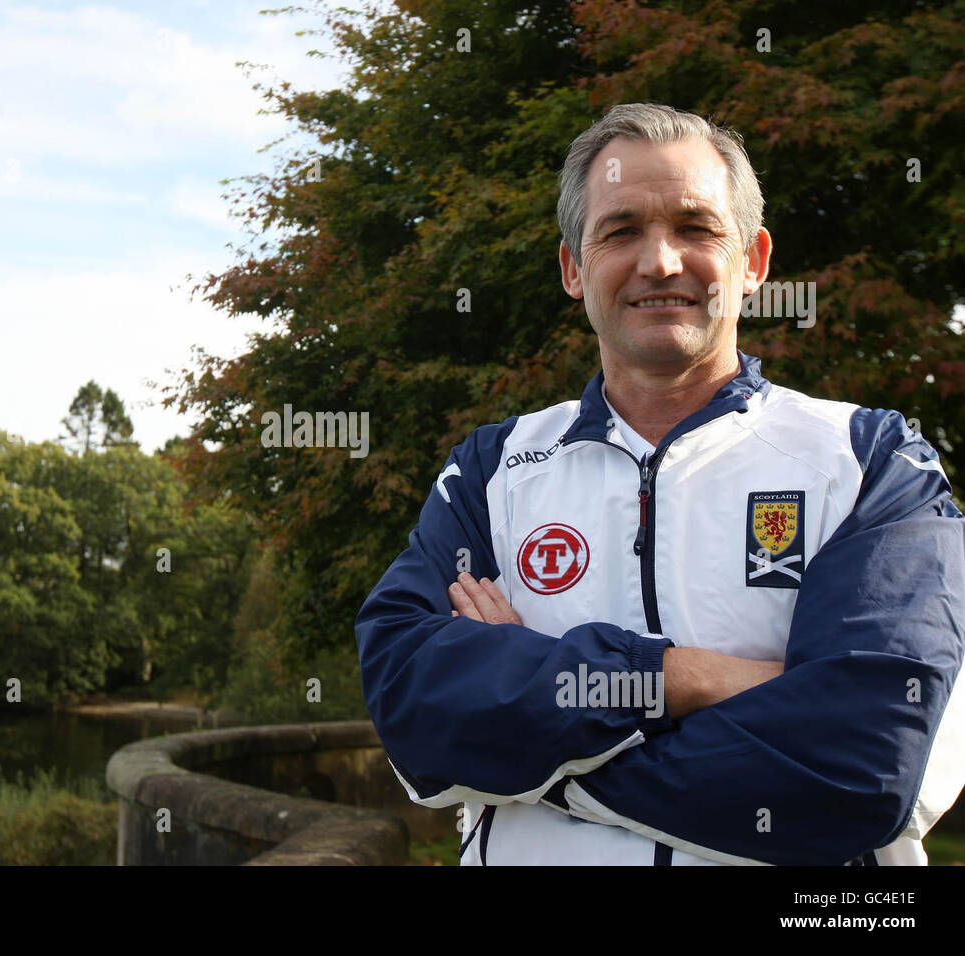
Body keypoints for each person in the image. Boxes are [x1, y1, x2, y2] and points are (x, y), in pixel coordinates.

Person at [354, 102, 965, 865]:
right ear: (574, 267)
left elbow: (868, 761)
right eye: (621, 231)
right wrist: (686, 677)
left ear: (753, 261)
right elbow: (414, 699)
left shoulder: (871, 459)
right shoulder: (489, 470)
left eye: (696, 227)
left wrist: (545, 754)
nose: (661, 262)